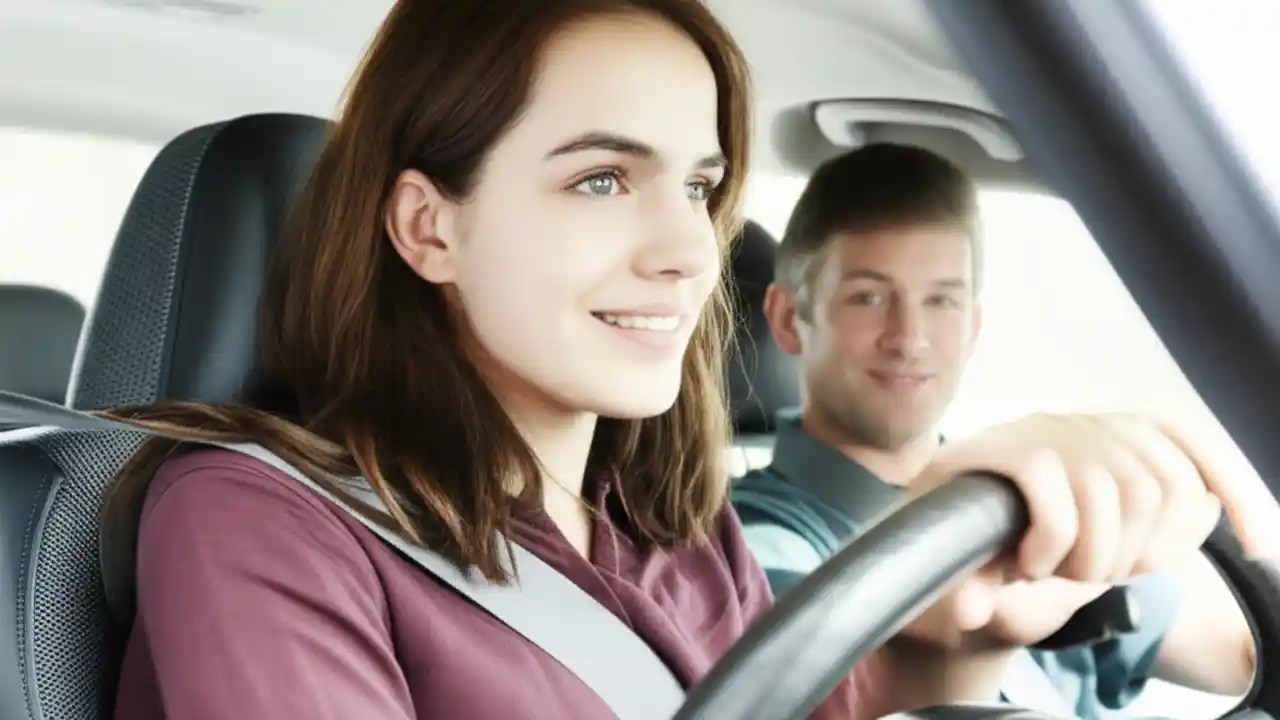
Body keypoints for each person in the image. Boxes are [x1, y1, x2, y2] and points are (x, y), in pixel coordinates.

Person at [100, 2, 1272, 718]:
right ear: (428, 227)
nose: (685, 252)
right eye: (601, 179)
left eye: (700, 186)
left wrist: (955, 629)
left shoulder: (671, 529)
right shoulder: (252, 524)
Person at [732, 143, 1263, 717]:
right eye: (869, 297)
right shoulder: (742, 544)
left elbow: (1242, 653)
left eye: (942, 300)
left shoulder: (1042, 505)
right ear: (789, 320)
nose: (909, 337)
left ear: (974, 325)